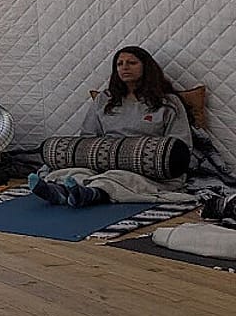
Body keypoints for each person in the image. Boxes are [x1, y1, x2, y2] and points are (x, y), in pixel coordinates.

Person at [31, 45, 194, 207]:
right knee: (74, 173)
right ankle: (61, 192)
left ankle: (92, 194)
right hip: (107, 160)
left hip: (147, 166)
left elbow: (181, 143)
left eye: (132, 63)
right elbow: (88, 138)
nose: (124, 67)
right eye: (119, 64)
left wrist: (151, 158)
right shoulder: (104, 99)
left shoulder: (168, 102)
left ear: (146, 67)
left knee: (117, 177)